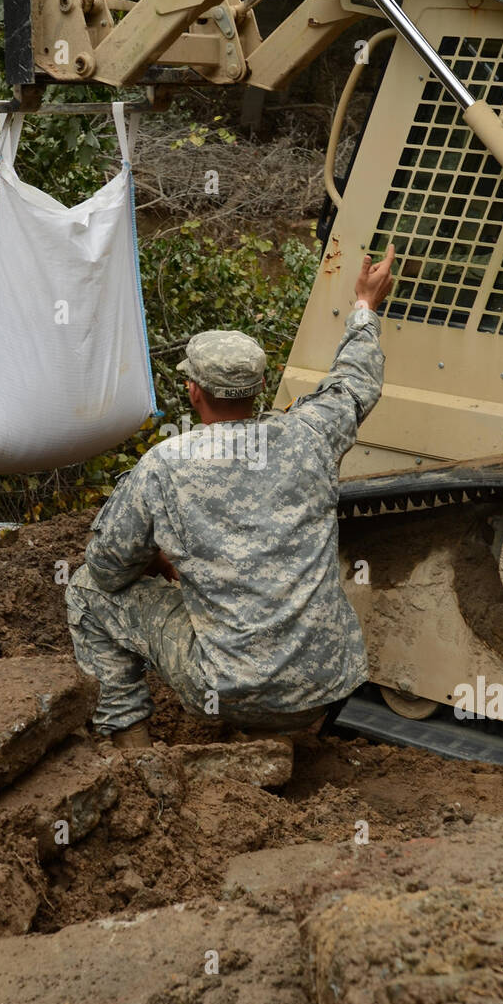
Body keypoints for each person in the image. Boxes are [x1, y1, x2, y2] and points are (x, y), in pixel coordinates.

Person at [65, 244, 396, 748]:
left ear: (193, 391)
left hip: (227, 688)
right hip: (325, 684)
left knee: (86, 591)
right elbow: (355, 383)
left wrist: (161, 559)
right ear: (261, 385)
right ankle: (285, 737)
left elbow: (108, 569)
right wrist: (364, 306)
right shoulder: (311, 437)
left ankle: (133, 758)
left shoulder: (165, 466)